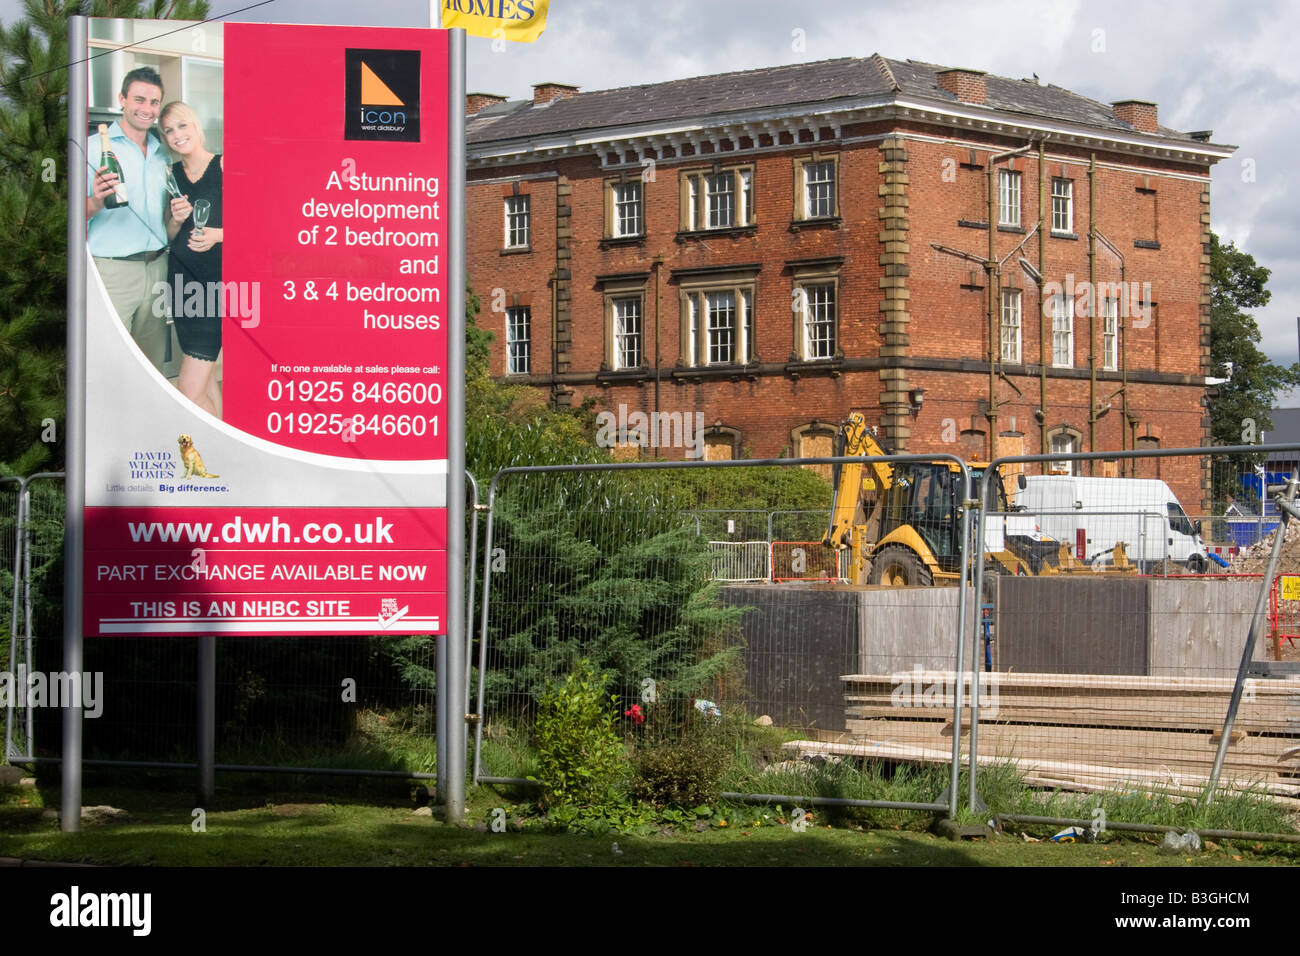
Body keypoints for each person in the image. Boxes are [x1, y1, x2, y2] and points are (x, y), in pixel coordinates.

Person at [86, 67, 171, 372]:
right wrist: (96, 201)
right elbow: (67, 218)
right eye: (139, 99)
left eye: (154, 102)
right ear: (122, 99)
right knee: (109, 362)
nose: (147, 109)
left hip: (158, 268)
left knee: (152, 368)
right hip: (113, 271)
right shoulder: (93, 148)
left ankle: (145, 421)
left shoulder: (164, 153)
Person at [161, 101, 224, 418]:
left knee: (187, 391)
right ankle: (220, 454)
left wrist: (218, 235)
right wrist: (174, 219)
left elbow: (259, 227)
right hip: (181, 285)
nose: (177, 134)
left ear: (196, 125)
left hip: (215, 290)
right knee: (206, 382)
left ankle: (220, 453)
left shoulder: (224, 166)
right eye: (169, 131)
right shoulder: (171, 174)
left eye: (182, 125)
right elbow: (171, 235)